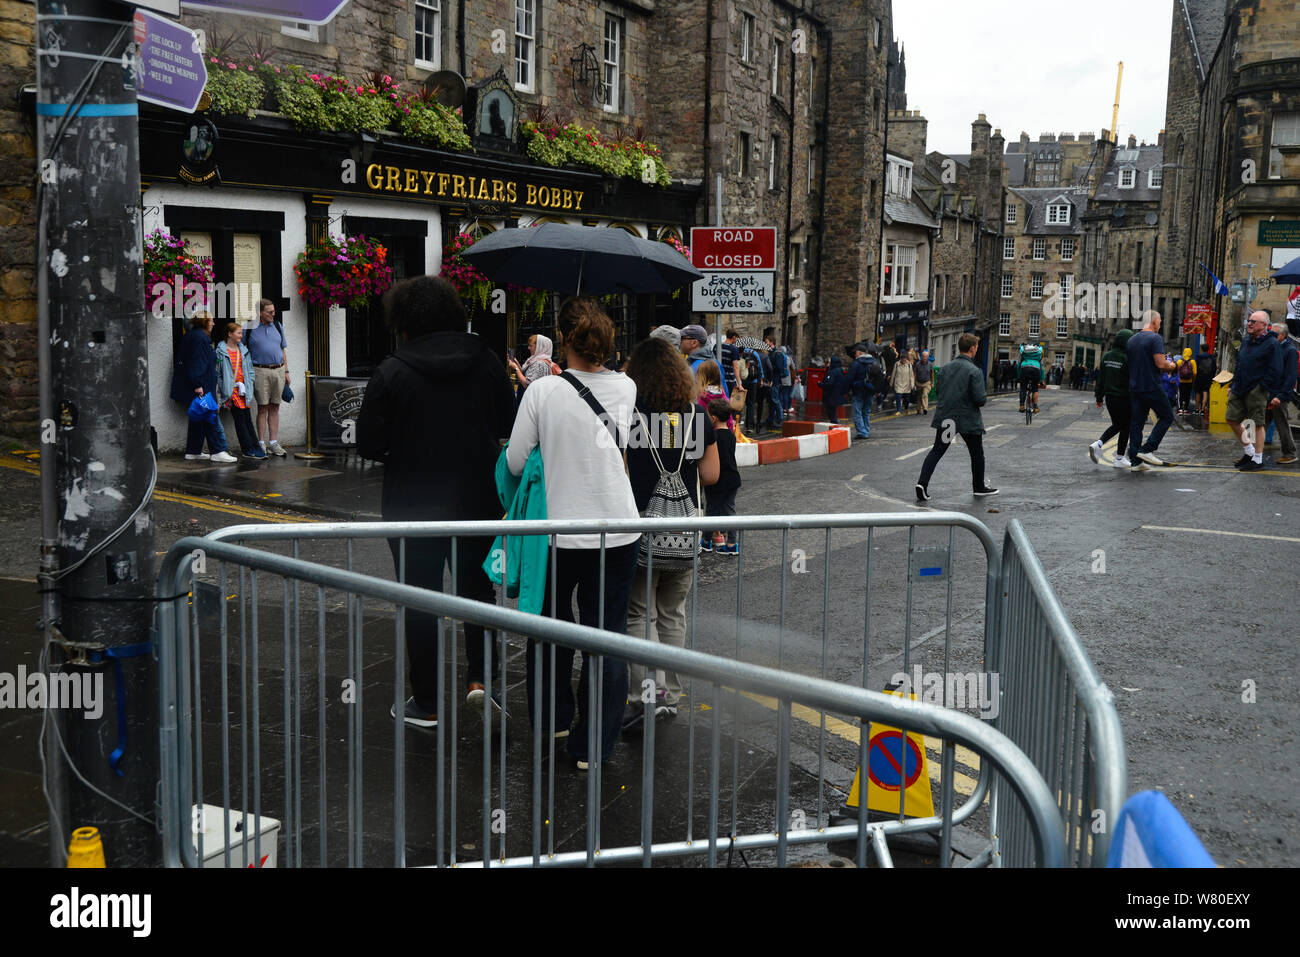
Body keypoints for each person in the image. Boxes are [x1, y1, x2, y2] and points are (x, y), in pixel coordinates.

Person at [356, 277, 516, 729]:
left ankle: (425, 702)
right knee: (478, 592)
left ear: (402, 320)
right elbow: (507, 420)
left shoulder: (391, 370)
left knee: (419, 599)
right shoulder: (486, 361)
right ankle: (481, 682)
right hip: (476, 498)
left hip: (412, 503)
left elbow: (368, 442)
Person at [508, 298, 641, 769]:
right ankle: (592, 747)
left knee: (548, 627)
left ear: (564, 339)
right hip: (618, 530)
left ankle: (554, 718)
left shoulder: (542, 393)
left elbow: (515, 462)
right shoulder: (626, 387)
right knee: (608, 636)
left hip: (555, 534)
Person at [623, 338, 719, 725]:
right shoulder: (698, 416)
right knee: (672, 614)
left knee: (638, 614)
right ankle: (671, 696)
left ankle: (644, 693)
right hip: (683, 530)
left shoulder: (628, 415)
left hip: (640, 529)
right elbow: (711, 475)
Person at [915, 333, 998, 501]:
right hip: (968, 420)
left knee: (937, 450)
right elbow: (980, 399)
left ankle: (922, 484)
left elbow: (938, 392)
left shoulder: (945, 369)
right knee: (976, 454)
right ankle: (979, 487)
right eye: (976, 347)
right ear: (973, 348)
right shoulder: (974, 371)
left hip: (947, 419)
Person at [171, 313, 238, 464]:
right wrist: (198, 385)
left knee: (198, 418)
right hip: (202, 386)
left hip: (198, 385)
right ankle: (218, 450)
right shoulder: (201, 338)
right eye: (211, 321)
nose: (213, 323)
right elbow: (197, 363)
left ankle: (193, 451)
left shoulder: (192, 336)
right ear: (204, 322)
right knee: (210, 417)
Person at [1226, 311, 1284, 472]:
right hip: (1239, 387)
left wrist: (1262, 387)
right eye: (1249, 321)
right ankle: (1249, 452)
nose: (1249, 324)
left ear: (1264, 325)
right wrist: (1233, 384)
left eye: (1253, 321)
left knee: (1257, 423)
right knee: (1231, 418)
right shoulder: (1246, 341)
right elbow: (1239, 364)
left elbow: (1276, 369)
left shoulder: (1272, 343)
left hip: (1257, 389)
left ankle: (1257, 459)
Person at [1126, 310, 1178, 470]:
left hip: (1135, 387)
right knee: (1167, 417)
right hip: (1152, 387)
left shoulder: (1132, 340)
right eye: (1160, 321)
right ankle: (1147, 449)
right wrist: (1173, 365)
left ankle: (1136, 462)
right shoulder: (1155, 338)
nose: (1160, 324)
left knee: (1137, 424)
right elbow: (1161, 364)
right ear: (1154, 321)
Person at [213, 321, 266, 460]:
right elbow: (217, 373)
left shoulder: (244, 350)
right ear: (229, 334)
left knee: (247, 418)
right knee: (240, 419)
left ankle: (255, 447)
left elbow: (249, 370)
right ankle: (247, 449)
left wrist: (249, 382)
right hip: (232, 391)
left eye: (241, 333)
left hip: (243, 390)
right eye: (238, 333)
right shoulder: (220, 351)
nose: (241, 336)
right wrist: (225, 387)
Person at [244, 298, 290, 456]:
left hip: (278, 370)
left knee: (275, 407)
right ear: (260, 313)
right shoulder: (248, 327)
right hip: (260, 371)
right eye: (269, 312)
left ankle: (273, 443)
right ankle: (261, 443)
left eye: (273, 311)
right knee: (263, 407)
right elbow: (240, 349)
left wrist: (286, 372)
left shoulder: (277, 325)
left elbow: (283, 350)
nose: (273, 314)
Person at [1090, 329, 1134, 469]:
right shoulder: (1128, 358)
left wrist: (1098, 396)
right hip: (1124, 397)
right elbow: (1132, 380)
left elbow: (1101, 379)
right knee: (1125, 427)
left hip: (1110, 398)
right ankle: (1118, 457)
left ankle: (1100, 445)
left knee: (1117, 425)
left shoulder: (1106, 356)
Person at [704, 398, 742, 556]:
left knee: (711, 511)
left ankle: (707, 541)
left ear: (713, 418)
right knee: (729, 511)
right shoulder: (731, 435)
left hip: (719, 480)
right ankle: (730, 542)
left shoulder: (714, 437)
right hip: (733, 479)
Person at [1269, 321, 1298, 466]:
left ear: (1283, 335)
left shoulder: (1290, 350)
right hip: (1269, 392)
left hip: (1279, 394)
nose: (1272, 335)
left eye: (1275, 333)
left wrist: (1281, 396)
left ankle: (1290, 453)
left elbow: (1291, 376)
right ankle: (1252, 452)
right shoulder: (1273, 347)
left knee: (1282, 424)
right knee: (1259, 422)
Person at [507, 334, 559, 398]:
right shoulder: (535, 360)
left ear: (539, 347)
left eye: (531, 346)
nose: (528, 348)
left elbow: (527, 384)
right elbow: (527, 376)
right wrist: (516, 363)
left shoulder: (540, 364)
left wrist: (515, 368)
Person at [847, 344, 876, 440]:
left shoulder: (856, 364)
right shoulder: (874, 362)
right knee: (866, 412)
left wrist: (845, 391)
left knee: (857, 412)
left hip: (858, 391)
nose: (855, 355)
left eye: (855, 353)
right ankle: (866, 430)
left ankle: (862, 432)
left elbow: (849, 379)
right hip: (870, 390)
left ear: (860, 353)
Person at [820, 356, 848, 424]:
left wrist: (821, 384)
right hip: (836, 395)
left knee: (831, 414)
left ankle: (834, 427)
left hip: (831, 395)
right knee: (832, 412)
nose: (828, 364)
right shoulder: (839, 371)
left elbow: (829, 383)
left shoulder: (832, 372)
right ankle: (834, 425)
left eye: (829, 362)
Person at [1018, 342, 1044, 414]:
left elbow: (1018, 364)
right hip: (1036, 369)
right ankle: (1035, 407)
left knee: (1023, 388)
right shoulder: (1039, 353)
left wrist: (1018, 376)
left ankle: (1022, 406)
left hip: (1024, 369)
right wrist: (1042, 379)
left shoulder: (1023, 351)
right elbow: (1042, 368)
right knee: (1035, 388)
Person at [891, 349, 916, 414]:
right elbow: (893, 374)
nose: (904, 360)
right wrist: (891, 383)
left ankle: (906, 408)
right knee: (898, 398)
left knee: (907, 399)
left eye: (905, 359)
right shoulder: (896, 364)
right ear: (900, 359)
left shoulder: (909, 365)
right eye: (903, 359)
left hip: (906, 385)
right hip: (898, 384)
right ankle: (898, 410)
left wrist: (912, 384)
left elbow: (911, 376)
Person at [1194, 345, 1216, 415]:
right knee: (1205, 392)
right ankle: (1203, 410)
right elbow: (1214, 368)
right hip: (1208, 377)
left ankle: (1197, 409)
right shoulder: (1212, 357)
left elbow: (1195, 367)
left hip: (1199, 377)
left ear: (1201, 349)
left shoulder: (1198, 357)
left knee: (1198, 392)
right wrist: (1211, 376)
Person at [1176, 348, 1197, 413]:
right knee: (1187, 395)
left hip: (1181, 381)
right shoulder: (1192, 361)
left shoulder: (1179, 361)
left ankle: (1180, 408)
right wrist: (1193, 379)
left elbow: (1176, 371)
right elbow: (1195, 372)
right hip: (1189, 381)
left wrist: (1178, 378)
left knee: (1181, 394)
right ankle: (1186, 409)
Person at [914, 350, 933, 415]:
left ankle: (925, 408)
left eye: (926, 357)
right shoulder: (918, 364)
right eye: (923, 357)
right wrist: (914, 382)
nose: (924, 358)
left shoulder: (930, 364)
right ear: (921, 357)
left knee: (924, 394)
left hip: (926, 382)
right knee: (919, 396)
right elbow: (915, 373)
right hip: (919, 382)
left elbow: (932, 373)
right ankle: (919, 409)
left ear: (927, 357)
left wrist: (932, 383)